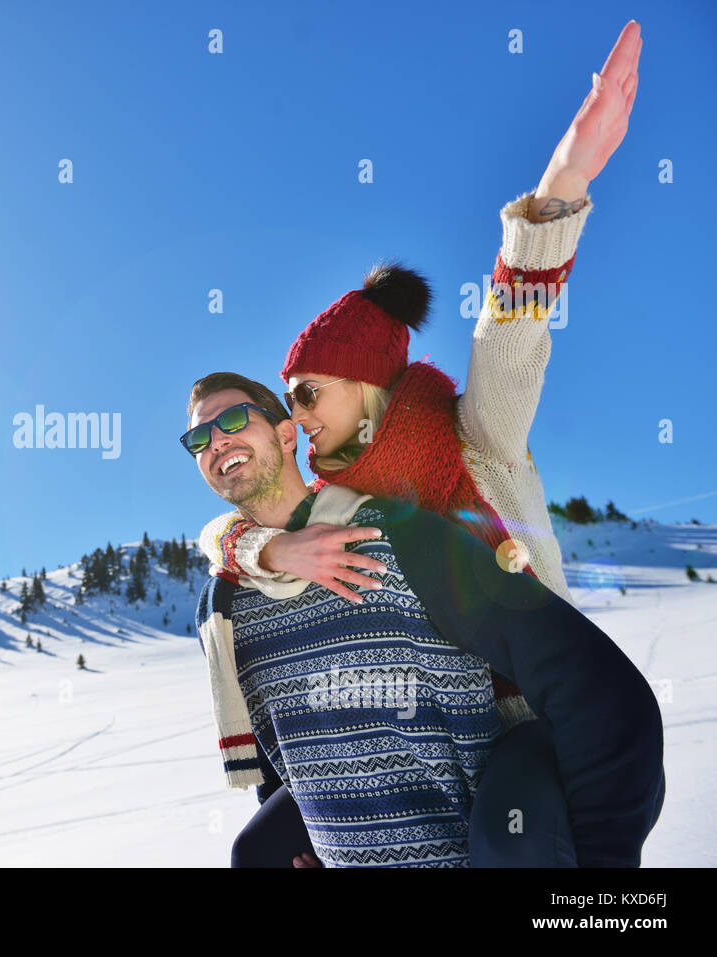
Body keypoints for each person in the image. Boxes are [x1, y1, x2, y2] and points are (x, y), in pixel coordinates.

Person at [195, 20, 644, 865]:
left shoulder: (470, 437)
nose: (298, 414)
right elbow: (224, 533)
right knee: (260, 852)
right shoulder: (323, 505)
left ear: (363, 383)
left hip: (518, 718)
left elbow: (510, 331)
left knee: (502, 838)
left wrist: (562, 184)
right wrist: (269, 546)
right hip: (415, 732)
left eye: (307, 393)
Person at [185, 374, 665, 867]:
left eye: (234, 419)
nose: (216, 440)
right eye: (198, 439)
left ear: (287, 434)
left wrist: (602, 863)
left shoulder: (398, 537)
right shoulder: (223, 606)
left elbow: (596, 686)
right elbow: (275, 763)